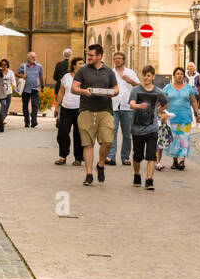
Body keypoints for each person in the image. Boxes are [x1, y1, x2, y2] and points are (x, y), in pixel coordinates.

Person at [71, 44, 119, 186]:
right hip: (86, 110)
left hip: (105, 110)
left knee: (107, 141)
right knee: (88, 144)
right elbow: (74, 88)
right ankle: (89, 174)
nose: (89, 57)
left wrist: (113, 93)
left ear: (99, 56)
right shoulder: (83, 71)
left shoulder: (109, 71)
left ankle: (101, 164)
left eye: (91, 55)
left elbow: (116, 88)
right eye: (88, 55)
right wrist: (84, 91)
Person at [129, 65, 169, 190]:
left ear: (153, 77)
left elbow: (166, 103)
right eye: (144, 75)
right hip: (137, 128)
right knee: (137, 156)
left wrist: (159, 110)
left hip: (152, 129)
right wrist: (138, 106)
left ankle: (149, 180)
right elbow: (131, 104)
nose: (146, 78)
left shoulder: (158, 91)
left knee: (151, 155)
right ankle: (137, 175)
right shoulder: (136, 90)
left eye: (148, 76)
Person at [162, 66, 200, 170]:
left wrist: (198, 114)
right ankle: (175, 161)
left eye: (181, 74)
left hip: (185, 118)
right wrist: (161, 114)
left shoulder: (188, 87)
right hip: (171, 118)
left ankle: (182, 161)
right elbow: (162, 102)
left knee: (184, 140)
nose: (179, 76)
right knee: (173, 141)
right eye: (177, 74)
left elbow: (193, 101)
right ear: (174, 76)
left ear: (183, 76)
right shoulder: (167, 88)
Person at [107, 52, 139, 166]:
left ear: (124, 60)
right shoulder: (110, 72)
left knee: (127, 134)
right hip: (113, 106)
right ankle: (111, 157)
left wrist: (130, 81)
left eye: (119, 58)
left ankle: (125, 157)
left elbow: (139, 87)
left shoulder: (130, 72)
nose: (117, 60)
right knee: (112, 132)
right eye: (115, 58)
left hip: (127, 107)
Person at [54, 57, 84, 166]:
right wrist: (57, 107)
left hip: (80, 109)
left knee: (78, 134)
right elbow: (61, 92)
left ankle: (78, 158)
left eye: (83, 63)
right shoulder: (66, 77)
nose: (82, 65)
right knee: (62, 133)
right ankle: (63, 156)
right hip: (66, 108)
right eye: (80, 63)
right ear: (74, 65)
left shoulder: (84, 77)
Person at [16, 52, 44, 129]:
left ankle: (34, 120)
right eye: (32, 57)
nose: (34, 58)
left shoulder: (39, 66)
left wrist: (42, 86)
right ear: (28, 58)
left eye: (35, 57)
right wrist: (22, 75)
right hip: (25, 89)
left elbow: (41, 76)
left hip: (35, 88)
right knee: (25, 106)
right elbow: (17, 73)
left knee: (35, 105)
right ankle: (26, 121)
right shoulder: (23, 66)